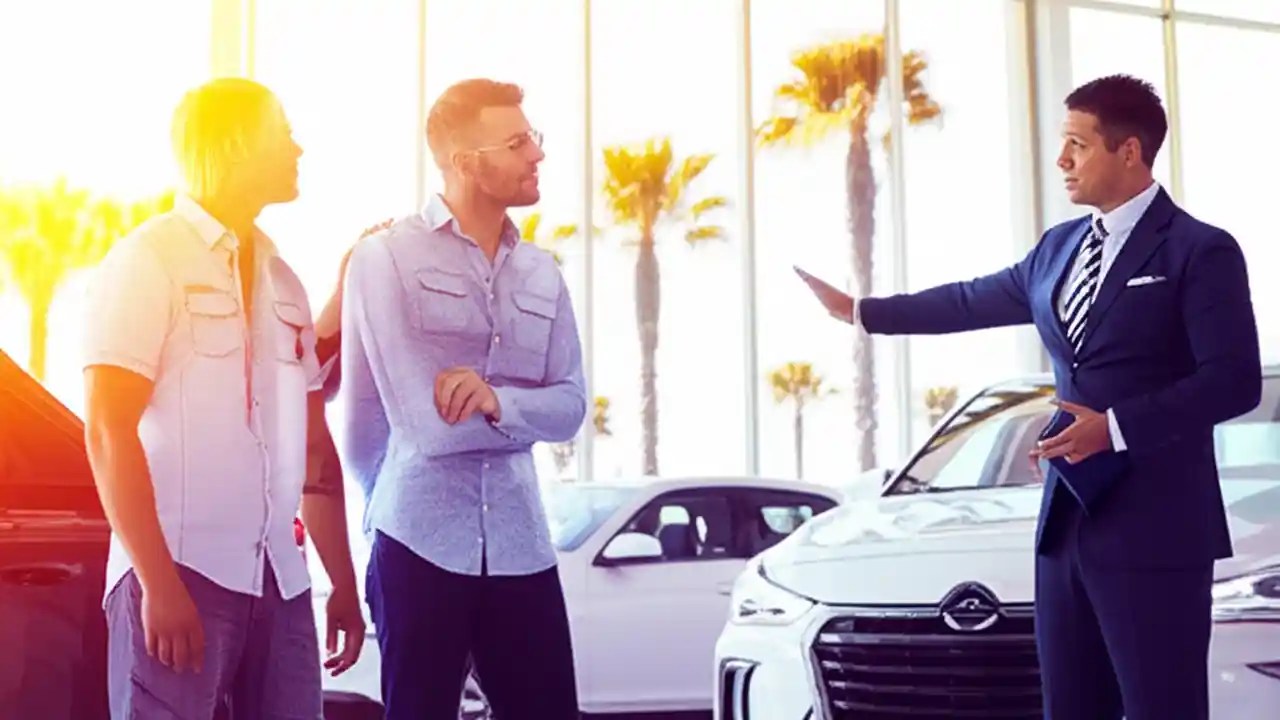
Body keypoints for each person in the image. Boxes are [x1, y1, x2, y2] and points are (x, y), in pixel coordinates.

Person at [798, 73, 1260, 720]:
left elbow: (1232, 380)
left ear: (1129, 151)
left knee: (1163, 707)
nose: (1061, 159)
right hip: (1066, 523)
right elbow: (969, 299)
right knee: (1069, 708)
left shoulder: (1199, 250)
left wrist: (1116, 427)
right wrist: (863, 312)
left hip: (1158, 528)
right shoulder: (1058, 249)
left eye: (1077, 143)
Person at [82, 77, 365, 719]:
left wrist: (341, 585)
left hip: (282, 583)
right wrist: (156, 582)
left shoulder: (285, 280)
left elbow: (315, 457)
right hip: (180, 574)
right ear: (238, 144)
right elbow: (107, 431)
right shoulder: (146, 259)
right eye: (284, 134)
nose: (299, 149)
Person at [339, 78, 586, 719]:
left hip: (521, 542)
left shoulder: (544, 272)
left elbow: (571, 408)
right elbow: (423, 429)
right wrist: (524, 416)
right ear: (465, 163)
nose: (537, 155)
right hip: (417, 543)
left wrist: (498, 401)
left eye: (534, 138)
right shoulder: (382, 259)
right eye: (519, 142)